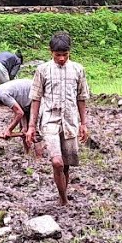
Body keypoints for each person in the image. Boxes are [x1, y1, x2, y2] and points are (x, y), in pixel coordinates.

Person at [25, 32, 90, 206]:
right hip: (50, 120)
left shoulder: (78, 69)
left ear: (70, 52)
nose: (61, 58)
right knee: (57, 162)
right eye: (57, 55)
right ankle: (64, 199)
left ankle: (62, 196)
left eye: (65, 55)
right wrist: (31, 126)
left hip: (70, 121)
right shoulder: (43, 70)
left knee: (67, 164)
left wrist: (84, 124)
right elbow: (36, 98)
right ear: (51, 52)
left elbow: (81, 98)